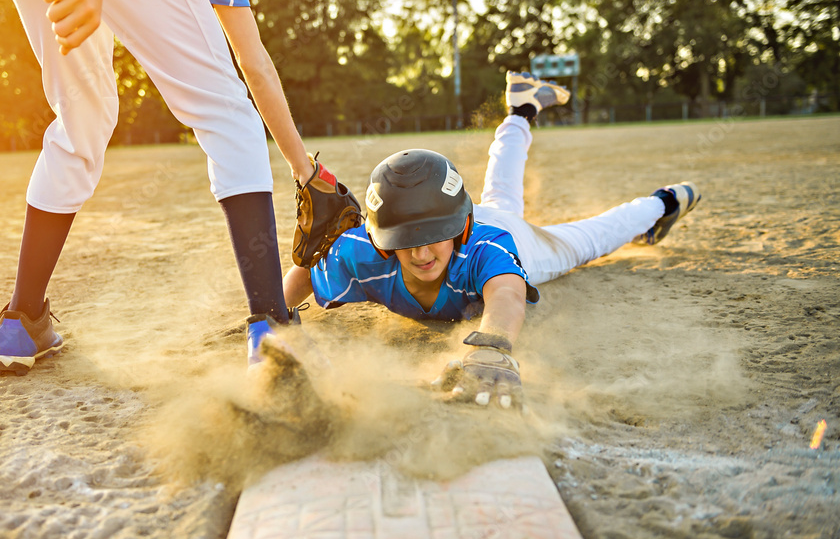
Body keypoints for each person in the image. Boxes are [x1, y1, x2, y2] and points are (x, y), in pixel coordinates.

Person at [0, 0, 382, 375]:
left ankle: (22, 319)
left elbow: (256, 64)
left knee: (81, 118)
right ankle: (273, 332)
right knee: (227, 117)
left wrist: (304, 169)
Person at [282, 71, 702, 409]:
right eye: (406, 242)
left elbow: (506, 294)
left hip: (509, 234)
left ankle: (664, 201)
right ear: (382, 242)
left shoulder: (486, 247)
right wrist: (272, 314)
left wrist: (494, 344)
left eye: (433, 238)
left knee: (587, 241)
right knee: (501, 191)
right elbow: (305, 270)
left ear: (460, 228)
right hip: (458, 213)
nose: (422, 252)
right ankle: (521, 109)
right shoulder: (364, 252)